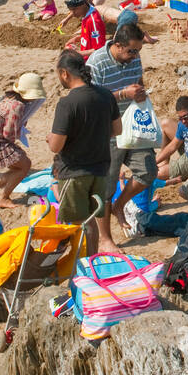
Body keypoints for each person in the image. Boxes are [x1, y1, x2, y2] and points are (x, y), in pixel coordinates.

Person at [48, 50, 123, 256]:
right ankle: (91, 263)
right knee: (91, 222)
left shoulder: (67, 103)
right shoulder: (105, 95)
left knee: (76, 224)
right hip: (100, 169)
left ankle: (80, 268)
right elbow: (117, 130)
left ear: (65, 73)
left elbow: (56, 146)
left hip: (74, 171)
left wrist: (50, 138)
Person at [86, 22, 156, 238]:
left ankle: (120, 205)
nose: (135, 56)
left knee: (148, 170)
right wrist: (122, 94)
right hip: (106, 132)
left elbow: (138, 82)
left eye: (138, 51)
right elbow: (89, 99)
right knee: (105, 187)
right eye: (131, 51)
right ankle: (106, 239)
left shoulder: (135, 59)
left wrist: (141, 93)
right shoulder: (96, 63)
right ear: (117, 45)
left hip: (133, 126)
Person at [0, 73, 45, 207]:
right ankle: (3, 197)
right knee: (25, 165)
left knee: (17, 168)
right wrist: (20, 132)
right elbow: (8, 133)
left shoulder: (7, 98)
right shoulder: (18, 106)